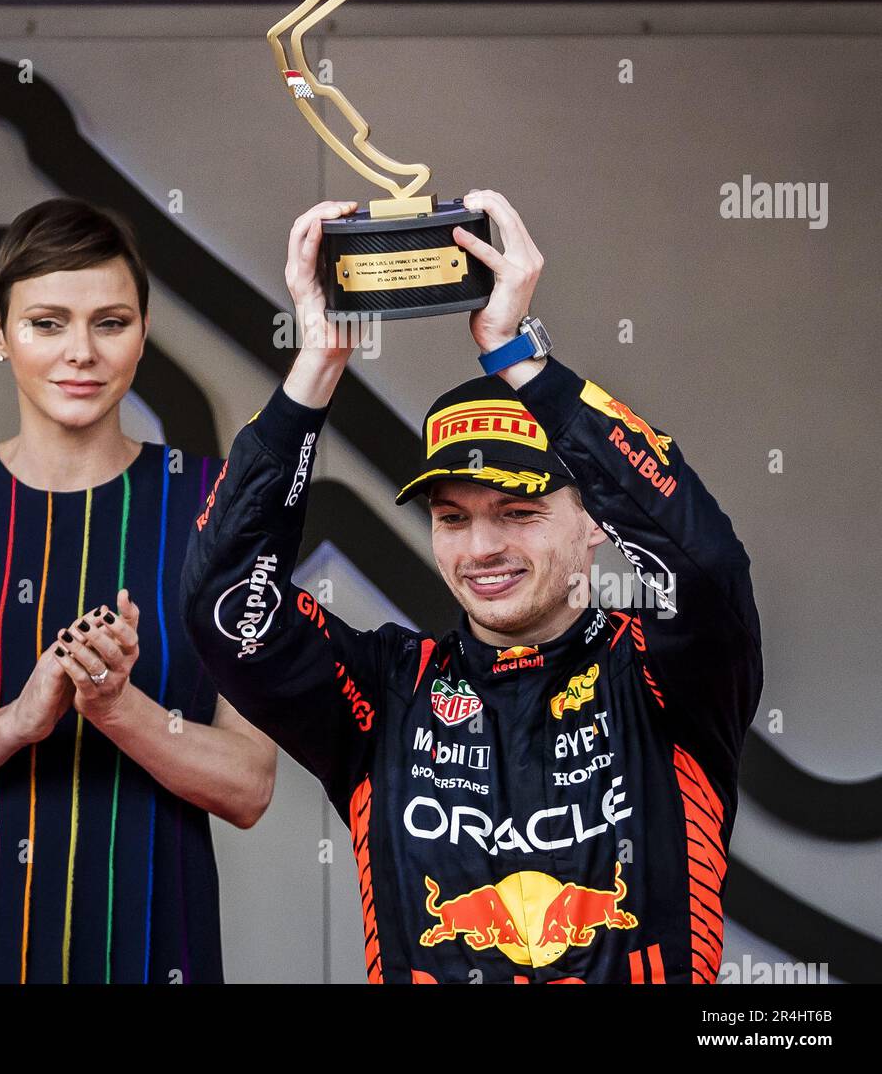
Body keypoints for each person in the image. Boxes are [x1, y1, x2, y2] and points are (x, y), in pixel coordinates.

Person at [180, 190, 763, 984]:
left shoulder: (668, 674)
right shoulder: (383, 693)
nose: (481, 548)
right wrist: (315, 366)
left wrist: (519, 356)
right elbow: (224, 605)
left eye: (518, 510)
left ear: (597, 519)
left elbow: (704, 565)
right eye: (452, 518)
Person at [0, 197, 276, 984]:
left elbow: (247, 785)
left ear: (142, 333)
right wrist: (16, 723)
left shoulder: (218, 507)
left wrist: (119, 709)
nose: (82, 352)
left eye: (110, 322)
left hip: (148, 955)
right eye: (47, 322)